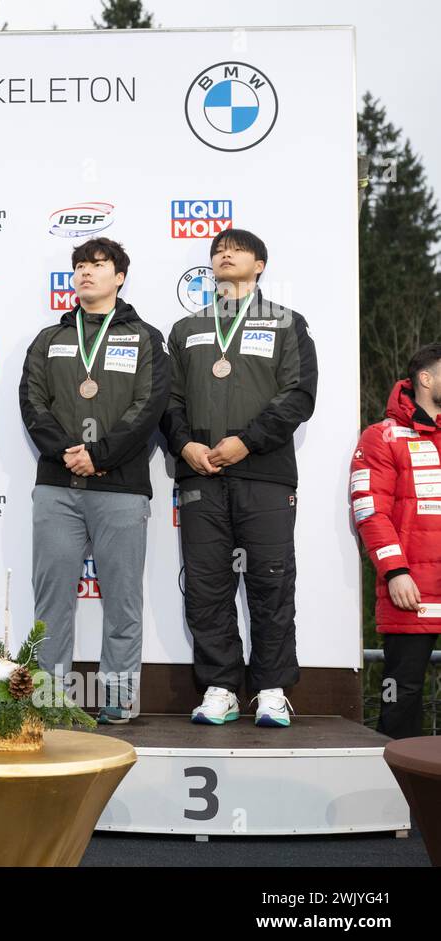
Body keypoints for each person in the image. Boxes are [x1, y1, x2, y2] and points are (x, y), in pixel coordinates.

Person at [161, 228, 318, 727]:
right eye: (218, 250)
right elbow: (169, 400)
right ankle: (220, 687)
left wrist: (246, 441)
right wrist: (184, 444)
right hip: (200, 475)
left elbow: (298, 397)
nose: (225, 253)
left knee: (271, 583)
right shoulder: (186, 330)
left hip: (265, 475)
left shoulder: (287, 324)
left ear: (261, 265)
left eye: (238, 249)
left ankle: (271, 689)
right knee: (206, 586)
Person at [19, 238, 169, 722]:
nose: (86, 273)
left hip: (120, 489)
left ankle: (119, 701)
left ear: (119, 276)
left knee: (123, 603)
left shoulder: (146, 337)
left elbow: (148, 408)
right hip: (57, 489)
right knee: (51, 603)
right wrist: (69, 454)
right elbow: (32, 403)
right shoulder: (49, 339)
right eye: (79, 265)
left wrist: (100, 455)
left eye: (97, 265)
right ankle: (48, 702)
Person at [351, 343, 441, 739]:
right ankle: (397, 795)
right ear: (426, 378)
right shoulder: (381, 437)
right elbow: (370, 511)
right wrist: (395, 571)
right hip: (412, 592)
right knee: (400, 701)